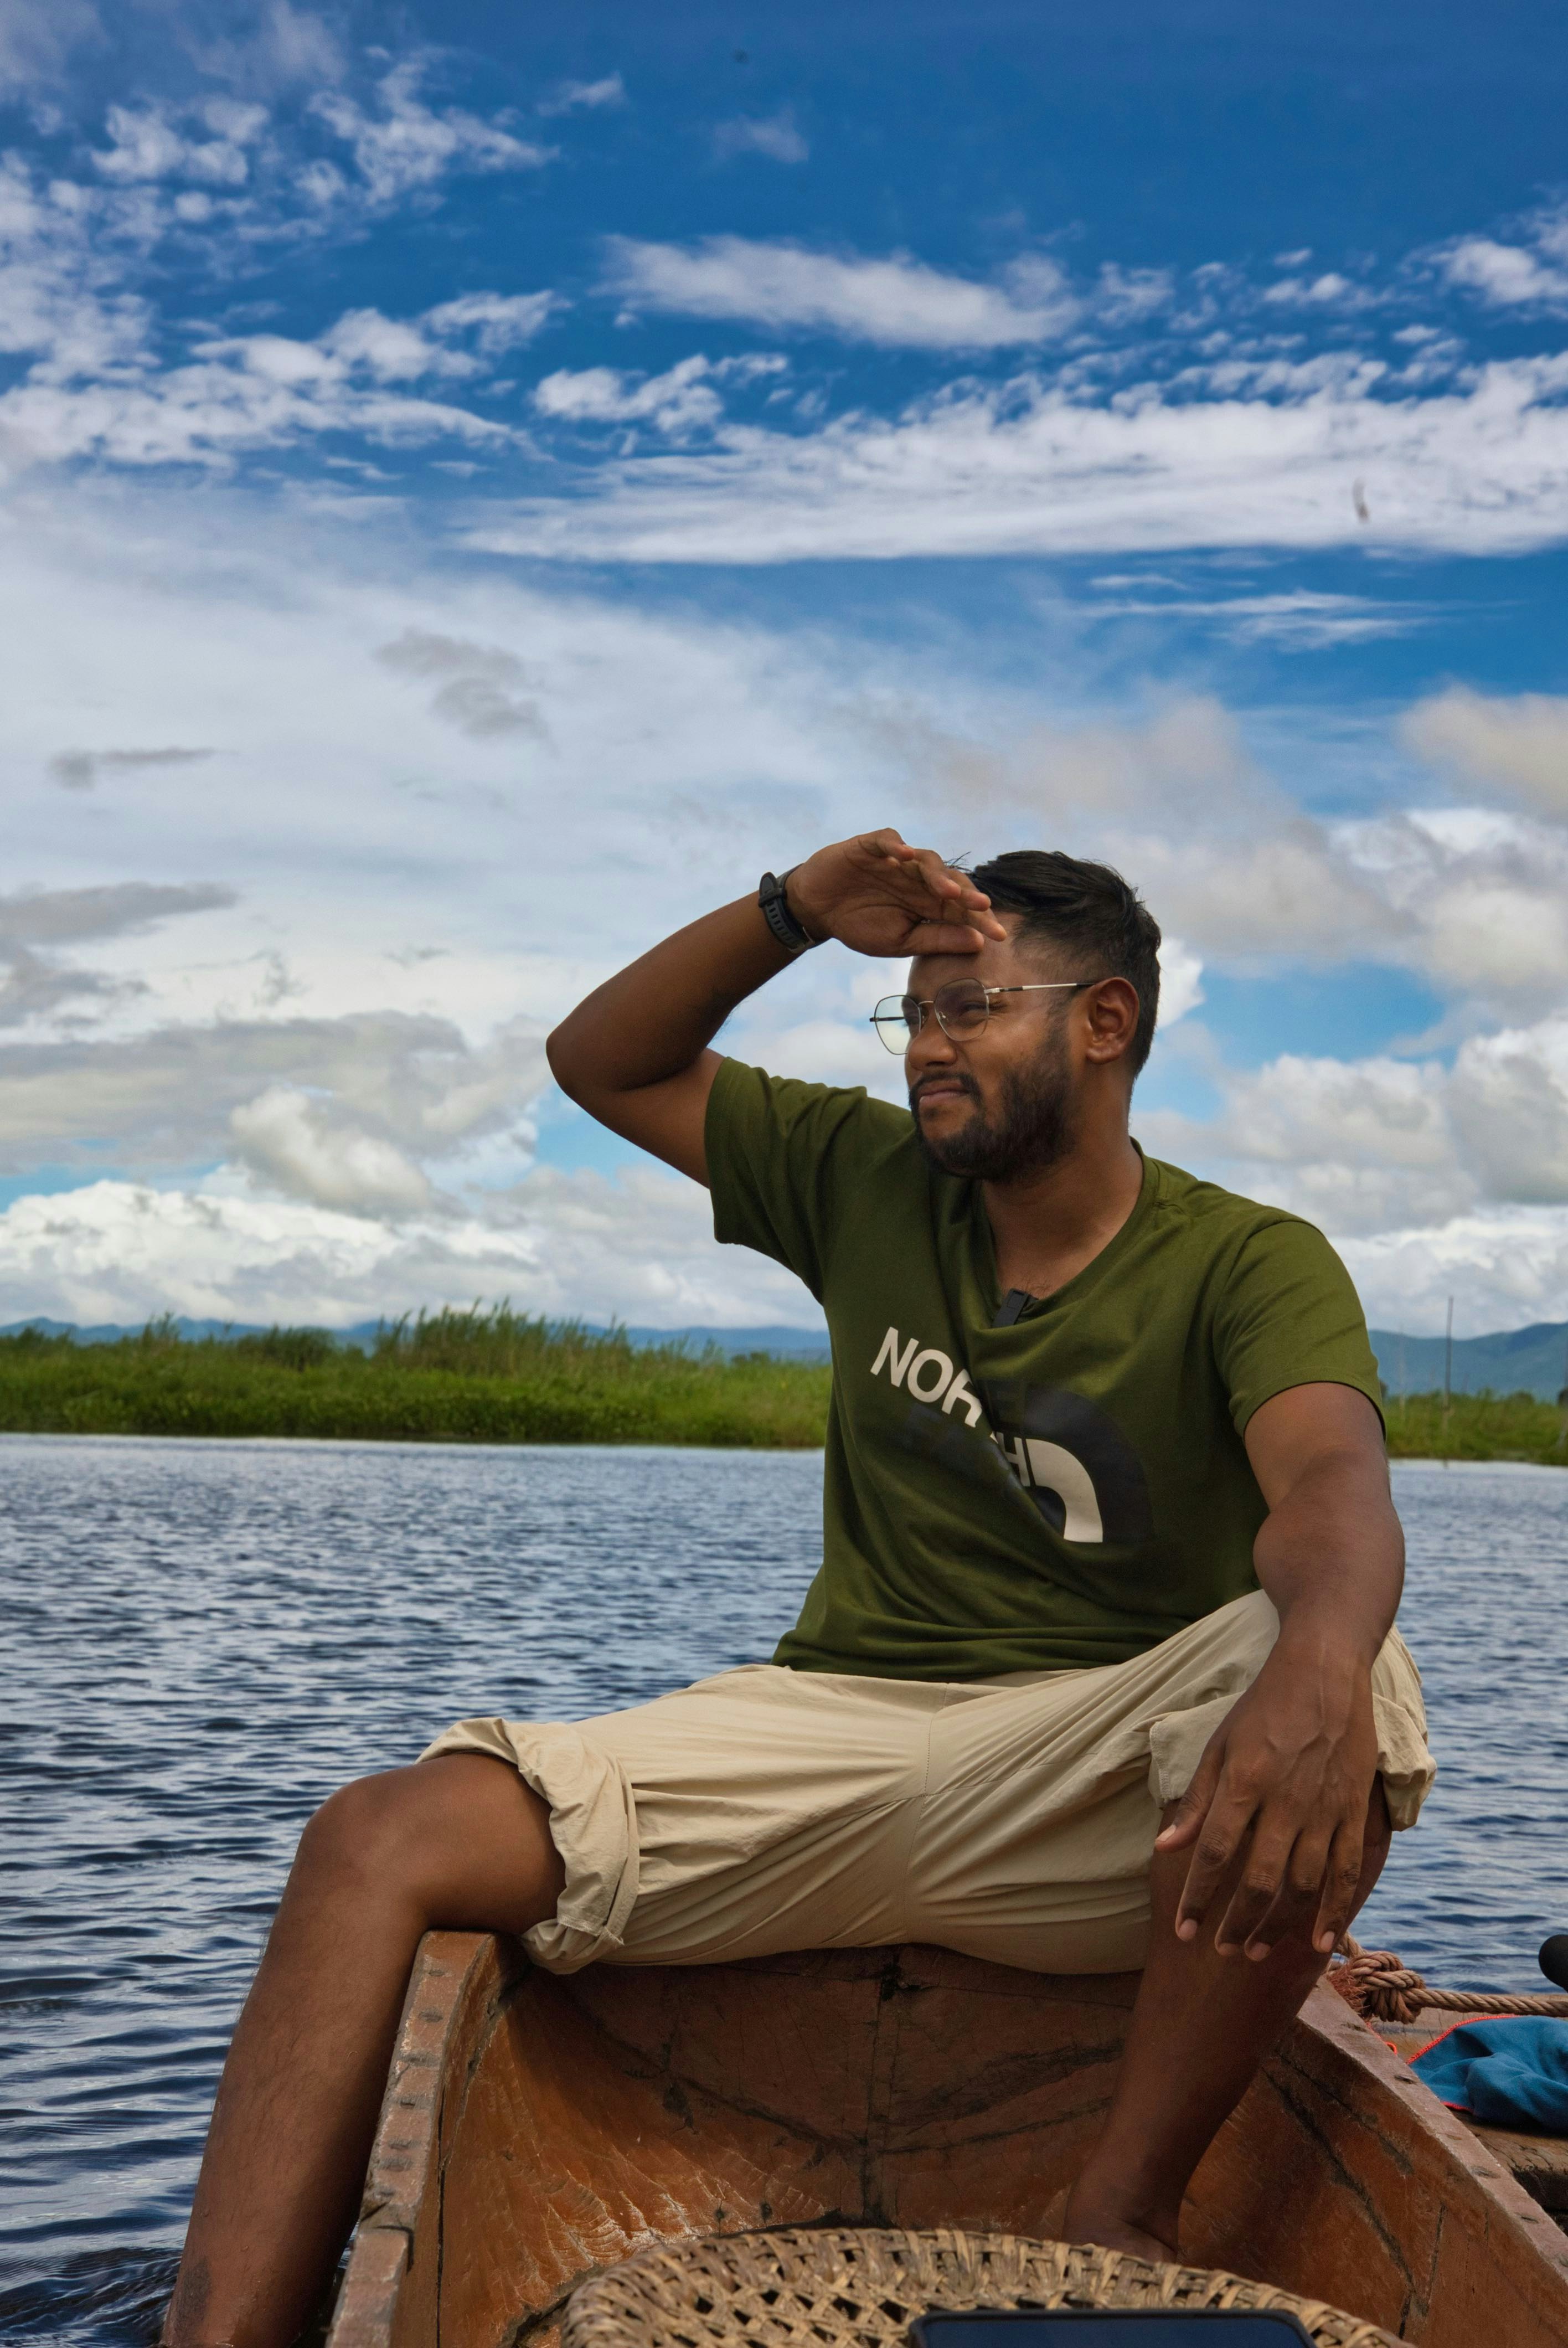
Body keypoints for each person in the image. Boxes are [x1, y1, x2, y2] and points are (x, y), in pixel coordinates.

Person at [163, 830, 1433, 2348]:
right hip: (835, 1729)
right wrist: (790, 913)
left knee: (1346, 1662)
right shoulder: (861, 1178)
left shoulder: (1245, 1260)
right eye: (911, 1014)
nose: (928, 1050)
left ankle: (1123, 2203)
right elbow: (603, 1063)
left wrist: (1321, 1662)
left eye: (971, 1005)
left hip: (1091, 1794)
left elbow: (1332, 1494)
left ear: (1105, 1022)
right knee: (378, 1837)